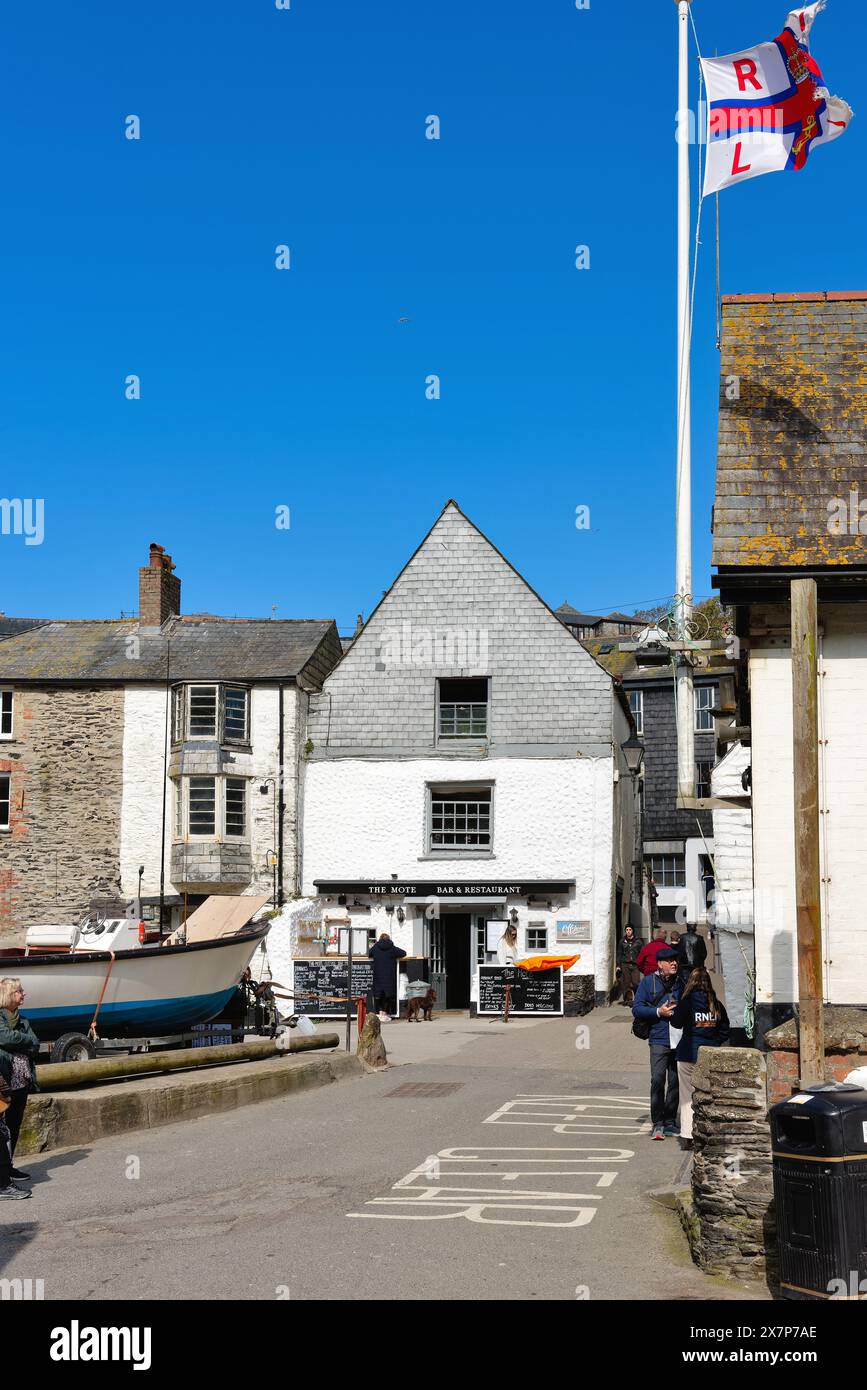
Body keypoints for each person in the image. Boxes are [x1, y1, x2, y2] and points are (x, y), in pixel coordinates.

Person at [671, 966, 729, 1148]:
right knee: (707, 1094)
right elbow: (724, 1029)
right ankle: (707, 1133)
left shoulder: (686, 1002)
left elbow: (675, 1022)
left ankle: (688, 1135)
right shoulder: (716, 1004)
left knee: (687, 1095)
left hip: (687, 1054)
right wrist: (714, 1042)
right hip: (708, 1055)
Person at [632, 948, 681, 1141]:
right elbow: (637, 1009)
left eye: (675, 960)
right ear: (660, 964)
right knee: (658, 1080)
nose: (674, 963)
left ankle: (670, 1121)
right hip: (659, 1038)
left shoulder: (681, 982)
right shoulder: (648, 982)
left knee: (676, 1082)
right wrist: (658, 1012)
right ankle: (657, 1123)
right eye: (669, 961)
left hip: (678, 1038)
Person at [0, 978, 39, 1200]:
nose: (23, 994)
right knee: (1, 1129)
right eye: (19, 991)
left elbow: (35, 1043)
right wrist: (22, 1041)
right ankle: (2, 1177)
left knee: (14, 1125)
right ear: (9, 994)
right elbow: (3, 1037)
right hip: (4, 1081)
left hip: (22, 1081)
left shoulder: (23, 1020)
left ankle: (8, 1167)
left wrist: (18, 1041)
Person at [368, 932, 406, 1022]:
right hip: (389, 975)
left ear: (380, 939)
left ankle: (380, 1013)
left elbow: (369, 953)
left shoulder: (376, 947)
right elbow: (403, 953)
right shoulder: (392, 948)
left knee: (378, 995)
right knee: (387, 995)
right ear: (389, 939)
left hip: (378, 975)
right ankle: (385, 1013)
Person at [617, 925, 642, 1005]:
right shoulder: (622, 941)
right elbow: (619, 954)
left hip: (635, 965)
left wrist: (641, 963)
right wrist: (618, 965)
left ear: (633, 931)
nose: (628, 931)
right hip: (625, 964)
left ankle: (637, 999)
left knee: (636, 982)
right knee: (626, 983)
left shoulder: (638, 941)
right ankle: (628, 1000)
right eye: (627, 930)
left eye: (630, 929)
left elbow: (641, 953)